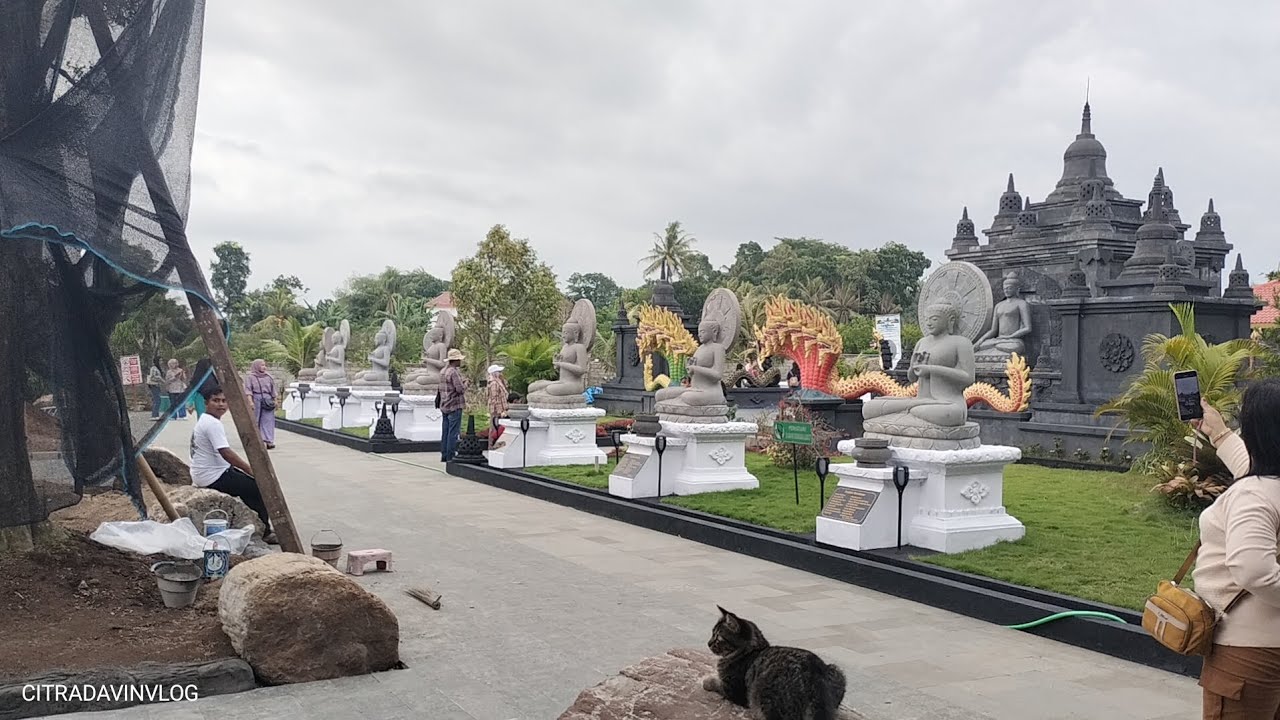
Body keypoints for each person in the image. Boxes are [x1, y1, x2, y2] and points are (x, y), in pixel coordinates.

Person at [1193, 380, 1280, 718]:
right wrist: (1219, 433)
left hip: (1247, 654)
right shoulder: (1267, 486)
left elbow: (1254, 572)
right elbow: (1257, 470)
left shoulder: (1253, 496)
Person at [189, 385, 277, 544]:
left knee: (246, 482)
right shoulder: (212, 424)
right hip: (213, 476)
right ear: (206, 403)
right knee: (257, 488)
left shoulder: (206, 420)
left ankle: (256, 525)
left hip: (209, 472)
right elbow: (226, 453)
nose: (221, 404)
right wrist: (251, 470)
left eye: (224, 401)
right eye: (216, 400)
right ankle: (265, 532)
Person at [439, 348, 467, 462]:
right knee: (453, 432)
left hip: (444, 404)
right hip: (454, 405)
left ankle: (444, 454)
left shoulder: (443, 371)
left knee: (445, 431)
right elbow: (460, 389)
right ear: (455, 360)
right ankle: (450, 455)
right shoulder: (453, 372)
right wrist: (466, 384)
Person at [246, 359, 277, 449]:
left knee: (268, 420)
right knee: (255, 420)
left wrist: (275, 400)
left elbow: (273, 390)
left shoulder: (268, 377)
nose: (264, 367)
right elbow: (248, 390)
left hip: (267, 400)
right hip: (256, 399)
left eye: (264, 365)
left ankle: (268, 441)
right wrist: (250, 402)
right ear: (256, 366)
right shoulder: (250, 377)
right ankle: (256, 441)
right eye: (262, 365)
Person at [486, 364, 509, 450]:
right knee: (494, 426)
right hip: (496, 409)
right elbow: (494, 398)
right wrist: (499, 410)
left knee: (497, 426)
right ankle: (491, 444)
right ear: (494, 373)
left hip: (500, 408)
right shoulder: (494, 383)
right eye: (498, 372)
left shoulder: (498, 381)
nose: (500, 373)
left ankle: (495, 443)